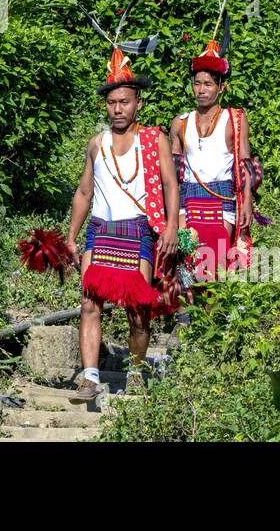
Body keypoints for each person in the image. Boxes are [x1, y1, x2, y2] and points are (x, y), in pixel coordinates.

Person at [66, 48, 179, 403]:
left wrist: (172, 227)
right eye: (112, 102)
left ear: (137, 105)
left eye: (125, 102)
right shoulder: (96, 144)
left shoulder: (154, 140)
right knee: (89, 305)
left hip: (137, 230)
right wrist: (71, 236)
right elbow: (84, 192)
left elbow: (171, 184)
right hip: (100, 230)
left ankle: (135, 371)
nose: (117, 109)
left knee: (139, 311)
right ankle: (89, 377)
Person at [170, 40, 253, 285]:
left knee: (212, 268)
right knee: (186, 263)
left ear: (221, 87)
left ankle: (209, 320)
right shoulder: (180, 123)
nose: (201, 89)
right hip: (188, 199)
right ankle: (185, 320)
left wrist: (247, 201)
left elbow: (245, 164)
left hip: (221, 199)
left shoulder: (234, 120)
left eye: (208, 84)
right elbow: (173, 174)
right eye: (197, 83)